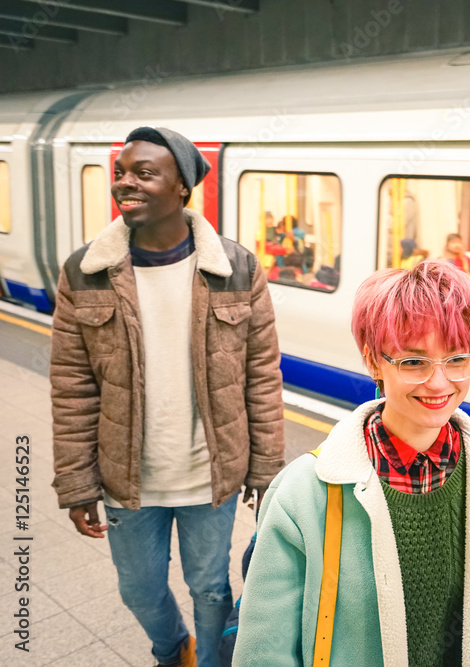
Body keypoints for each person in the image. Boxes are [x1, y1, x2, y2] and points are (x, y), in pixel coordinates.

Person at [50, 127, 285, 667]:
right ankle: (173, 648)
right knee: (138, 590)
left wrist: (266, 470)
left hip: (211, 475)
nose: (124, 184)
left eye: (143, 173)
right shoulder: (84, 273)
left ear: (182, 187)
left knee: (210, 589)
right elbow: (72, 386)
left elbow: (261, 376)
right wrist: (77, 480)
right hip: (127, 477)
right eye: (120, 173)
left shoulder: (236, 269)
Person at [233, 260, 470, 666]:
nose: (439, 382)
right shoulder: (304, 493)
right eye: (413, 362)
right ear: (374, 362)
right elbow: (266, 651)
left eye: (457, 359)